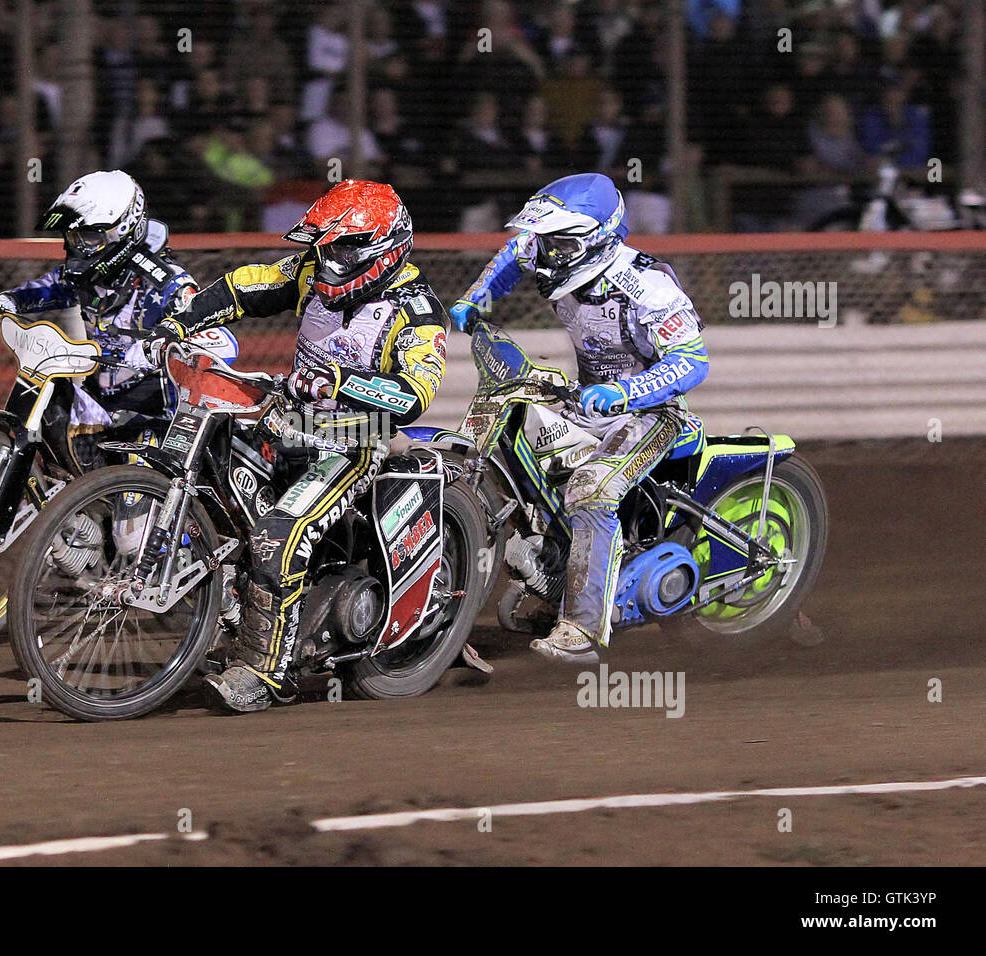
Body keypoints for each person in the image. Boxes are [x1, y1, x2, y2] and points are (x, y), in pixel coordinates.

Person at [142, 179, 449, 712]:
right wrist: (179, 323)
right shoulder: (311, 272)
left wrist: (340, 385)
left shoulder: (419, 311)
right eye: (323, 248)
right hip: (285, 421)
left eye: (342, 249)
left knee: (275, 537)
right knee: (216, 490)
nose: (329, 262)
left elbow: (416, 393)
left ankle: (268, 674)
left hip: (355, 439)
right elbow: (244, 286)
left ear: (385, 246)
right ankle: (232, 617)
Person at [449, 173, 709, 665]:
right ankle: (554, 560)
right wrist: (474, 299)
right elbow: (514, 252)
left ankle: (584, 628)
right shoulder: (550, 249)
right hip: (588, 399)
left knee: (591, 484)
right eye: (548, 239)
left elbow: (693, 361)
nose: (547, 252)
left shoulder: (647, 285)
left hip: (650, 411)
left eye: (559, 241)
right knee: (516, 426)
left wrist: (623, 391)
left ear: (597, 239)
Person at [0, 169, 229, 465]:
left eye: (88, 236)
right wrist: (11, 300)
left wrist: (158, 349)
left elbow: (223, 342)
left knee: (132, 497)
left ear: (123, 229)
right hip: (102, 400)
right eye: (72, 236)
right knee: (50, 411)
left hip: (158, 412)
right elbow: (52, 287)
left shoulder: (166, 283)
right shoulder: (87, 275)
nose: (77, 247)